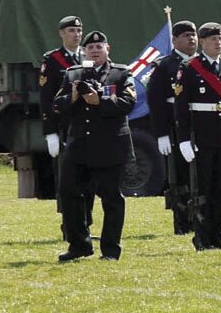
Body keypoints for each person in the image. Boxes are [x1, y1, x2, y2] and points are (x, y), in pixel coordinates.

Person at [54, 30, 136, 262]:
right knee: (70, 194)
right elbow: (57, 105)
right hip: (80, 146)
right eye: (91, 48)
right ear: (84, 51)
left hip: (110, 147)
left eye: (99, 47)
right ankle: (79, 245)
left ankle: (110, 250)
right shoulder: (73, 74)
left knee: (111, 198)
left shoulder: (120, 74)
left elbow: (128, 103)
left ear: (107, 50)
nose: (95, 51)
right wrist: (71, 97)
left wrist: (100, 101)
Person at [175, 22, 221, 251]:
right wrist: (184, 139)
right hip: (202, 136)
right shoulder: (190, 67)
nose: (218, 42)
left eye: (220, 38)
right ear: (202, 42)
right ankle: (202, 235)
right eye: (212, 39)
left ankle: (219, 235)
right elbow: (181, 108)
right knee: (203, 189)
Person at [39, 15, 92, 236]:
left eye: (79, 31)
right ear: (61, 34)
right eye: (71, 31)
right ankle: (69, 225)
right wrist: (50, 131)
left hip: (86, 127)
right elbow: (45, 97)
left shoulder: (87, 57)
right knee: (67, 181)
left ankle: (86, 223)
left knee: (88, 179)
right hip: (63, 127)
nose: (76, 34)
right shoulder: (52, 60)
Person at [146, 20, 198, 235]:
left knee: (200, 177)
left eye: (193, 35)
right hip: (175, 128)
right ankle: (182, 223)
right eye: (186, 35)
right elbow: (156, 102)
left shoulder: (202, 63)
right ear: (175, 40)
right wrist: (162, 134)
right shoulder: (164, 65)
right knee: (180, 178)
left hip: (199, 126)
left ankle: (200, 220)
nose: (191, 39)